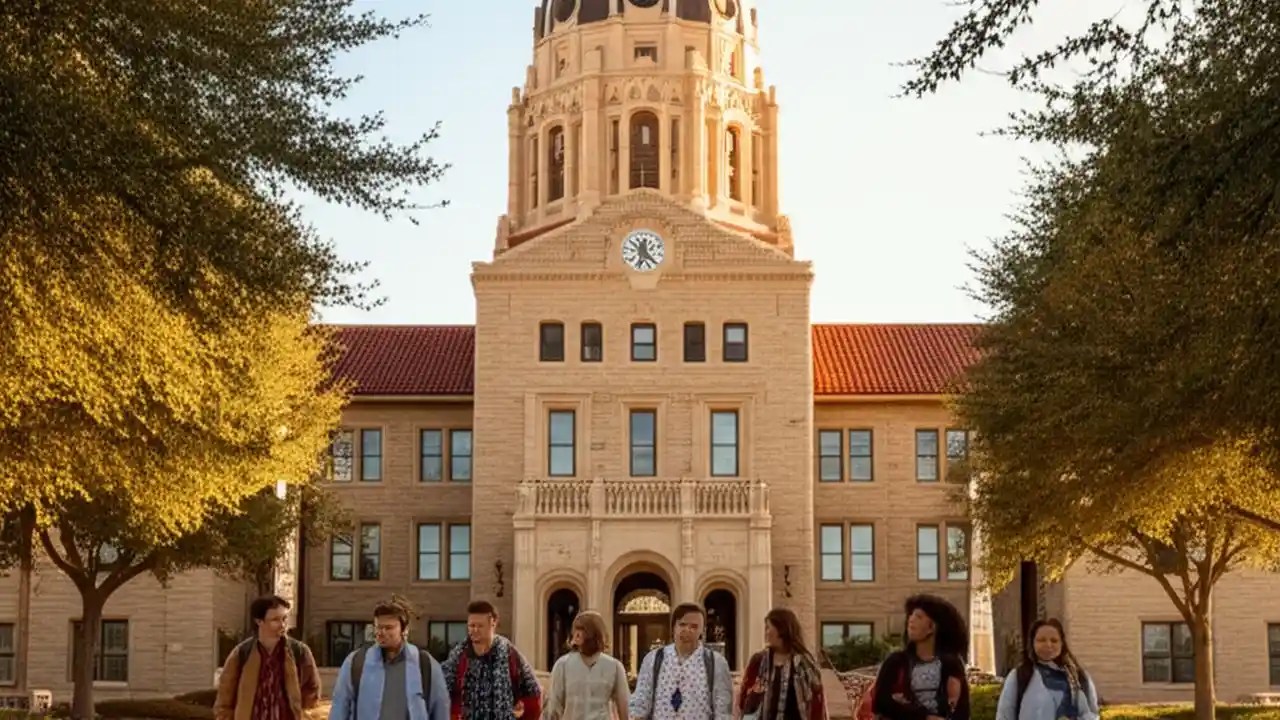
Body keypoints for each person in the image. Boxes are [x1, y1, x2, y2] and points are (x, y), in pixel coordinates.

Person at [329, 597, 450, 720]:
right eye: (378, 627)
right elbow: (340, 707)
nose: (382, 632)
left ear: (404, 630)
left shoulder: (425, 664)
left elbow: (441, 709)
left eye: (389, 628)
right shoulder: (356, 662)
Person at [214, 595, 321, 720]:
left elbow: (312, 689)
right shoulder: (242, 653)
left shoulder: (299, 651)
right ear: (259, 621)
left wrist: (301, 712)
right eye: (275, 620)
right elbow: (225, 698)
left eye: (285, 619)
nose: (282, 625)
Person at [869, 594, 970, 720]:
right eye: (911, 615)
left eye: (919, 617)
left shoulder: (951, 664)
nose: (911, 619)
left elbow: (962, 709)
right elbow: (880, 703)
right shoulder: (896, 661)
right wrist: (923, 717)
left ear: (932, 627)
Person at [628, 602, 733, 720]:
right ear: (673, 627)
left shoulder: (716, 663)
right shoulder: (653, 659)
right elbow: (640, 706)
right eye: (682, 624)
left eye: (694, 626)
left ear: (702, 631)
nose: (687, 630)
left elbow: (723, 712)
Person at [442, 599, 543, 720]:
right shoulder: (458, 656)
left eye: (480, 626)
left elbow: (533, 692)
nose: (475, 630)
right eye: (471, 625)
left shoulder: (508, 653)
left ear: (493, 623)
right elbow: (441, 694)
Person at [995, 619, 1099, 720]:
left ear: (1062, 644)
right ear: (1032, 643)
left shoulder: (1079, 677)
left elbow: (1092, 714)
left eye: (1054, 641)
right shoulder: (1020, 676)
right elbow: (1004, 715)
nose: (1048, 645)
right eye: (1041, 640)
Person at [737, 608, 827, 720]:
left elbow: (817, 703)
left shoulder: (805, 663)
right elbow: (744, 697)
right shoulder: (758, 661)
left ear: (781, 629)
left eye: (768, 628)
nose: (766, 633)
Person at [544, 610, 630, 720]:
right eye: (576, 630)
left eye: (583, 630)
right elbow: (554, 707)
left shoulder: (614, 667)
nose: (577, 634)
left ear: (594, 634)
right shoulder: (563, 665)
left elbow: (624, 707)